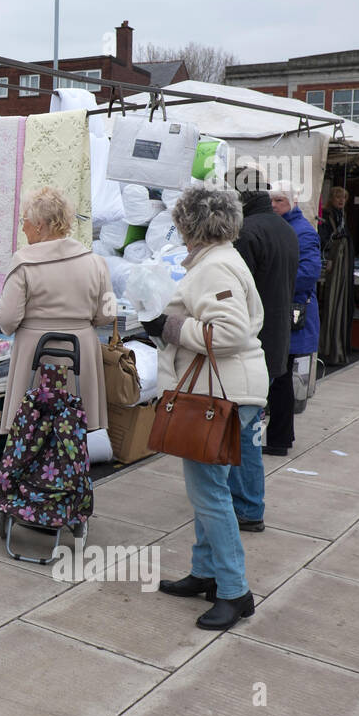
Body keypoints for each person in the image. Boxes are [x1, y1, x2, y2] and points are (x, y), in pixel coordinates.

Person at [141, 185, 269, 631]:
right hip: (228, 391)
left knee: (211, 495)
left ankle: (235, 592)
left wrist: (168, 326)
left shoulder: (215, 267)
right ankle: (207, 573)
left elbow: (230, 332)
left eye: (179, 222)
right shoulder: (218, 261)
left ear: (191, 224)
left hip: (222, 395)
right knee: (207, 491)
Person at [0, 187, 114, 437]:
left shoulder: (24, 262)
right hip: (80, 350)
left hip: (34, 352)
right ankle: (70, 470)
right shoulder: (95, 261)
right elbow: (108, 314)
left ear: (39, 225)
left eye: (24, 221)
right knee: (74, 423)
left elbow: (7, 318)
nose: (23, 227)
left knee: (32, 426)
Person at [228, 166, 297, 531]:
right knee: (248, 428)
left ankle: (249, 507)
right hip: (275, 341)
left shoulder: (247, 234)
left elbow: (239, 299)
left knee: (244, 430)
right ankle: (243, 501)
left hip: (252, 345)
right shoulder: (284, 229)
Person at [264, 182, 322, 456]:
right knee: (279, 378)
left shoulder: (303, 232)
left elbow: (309, 274)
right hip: (283, 313)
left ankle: (279, 439)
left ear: (293, 202)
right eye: (272, 201)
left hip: (289, 316)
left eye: (280, 201)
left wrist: (271, 284)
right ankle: (277, 437)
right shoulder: (285, 228)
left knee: (281, 378)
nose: (274, 205)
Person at [318, 185, 350, 252]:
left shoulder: (342, 214)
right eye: (338, 197)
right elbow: (322, 235)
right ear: (331, 199)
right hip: (328, 251)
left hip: (339, 249)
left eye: (344, 197)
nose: (341, 200)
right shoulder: (325, 214)